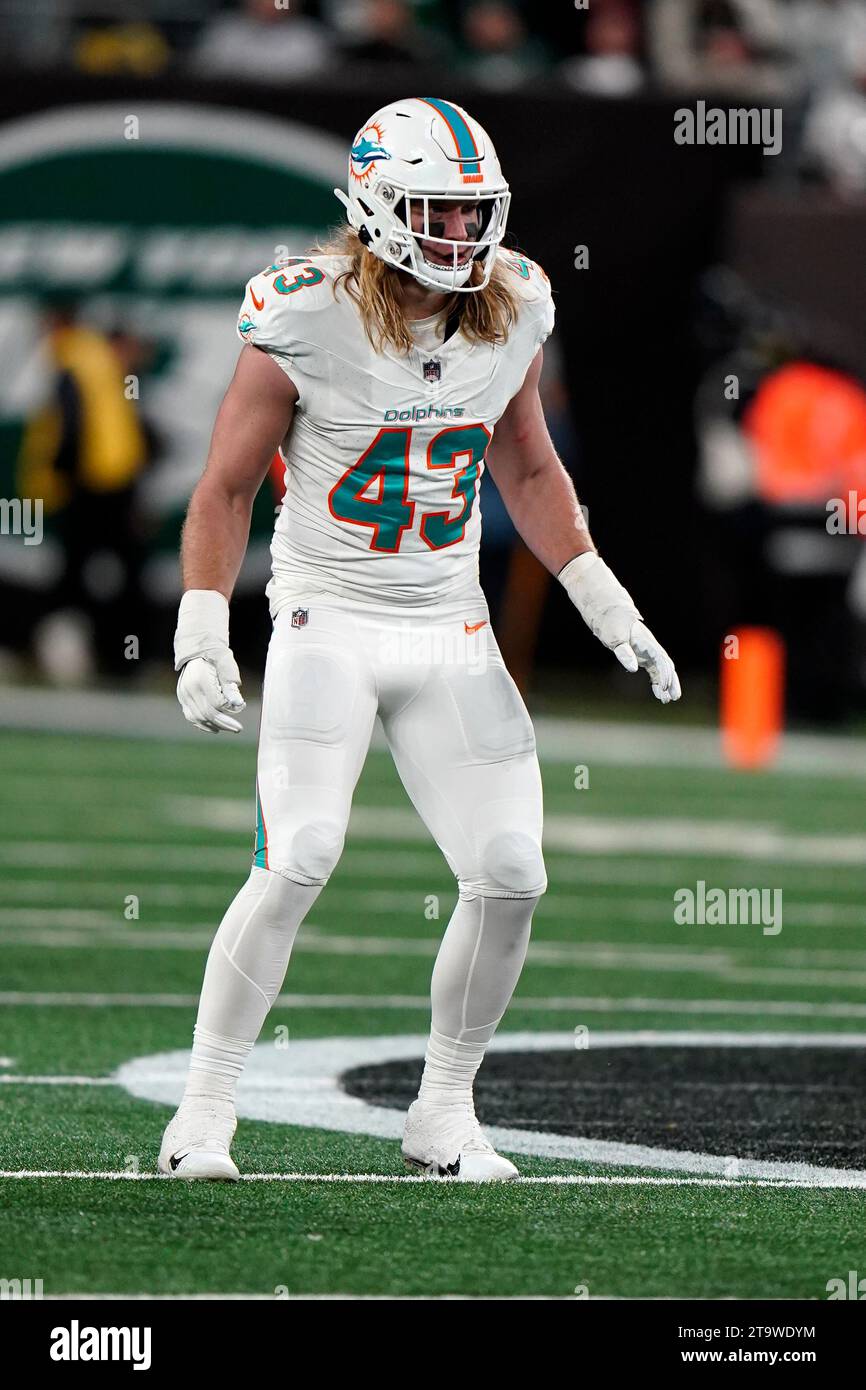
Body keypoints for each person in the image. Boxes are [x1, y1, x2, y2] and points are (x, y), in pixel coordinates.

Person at [159, 97, 680, 1184]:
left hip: (449, 626)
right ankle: (202, 1113)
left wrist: (602, 597)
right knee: (298, 854)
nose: (459, 238)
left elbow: (528, 468)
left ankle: (442, 1110)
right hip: (326, 620)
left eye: (470, 211)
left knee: (510, 869)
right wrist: (202, 628)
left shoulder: (513, 304)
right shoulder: (303, 314)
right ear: (378, 209)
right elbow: (226, 484)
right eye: (435, 212)